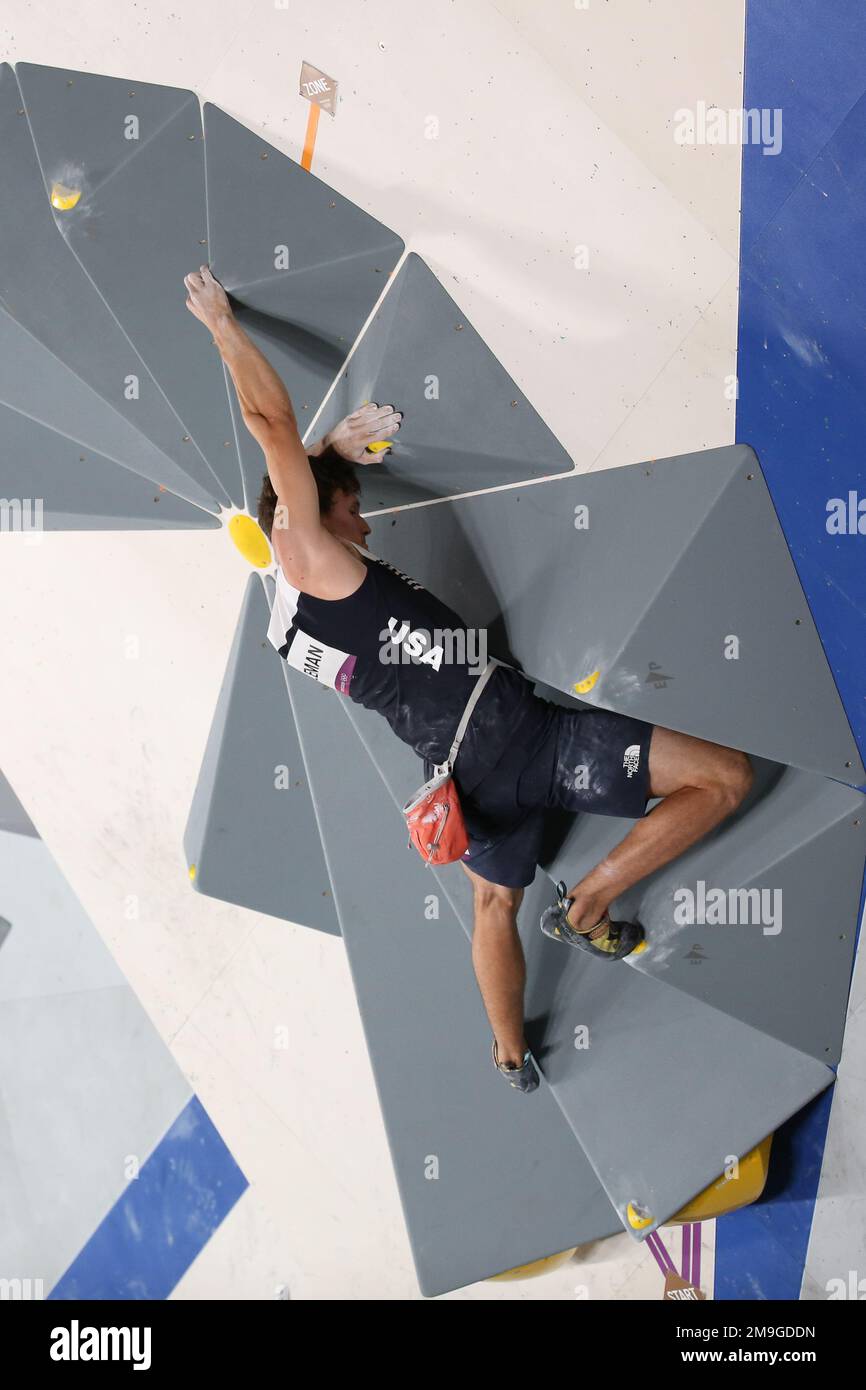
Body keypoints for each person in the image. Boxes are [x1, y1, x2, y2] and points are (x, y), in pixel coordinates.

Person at [185, 265, 753, 1095]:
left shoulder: (288, 617)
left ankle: (508, 1057)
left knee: (493, 906)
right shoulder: (308, 554)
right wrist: (223, 327)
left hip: (456, 777)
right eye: (352, 507)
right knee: (725, 779)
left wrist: (330, 457)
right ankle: (589, 905)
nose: (364, 524)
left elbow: (298, 498)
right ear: (310, 515)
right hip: (524, 739)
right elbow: (271, 425)